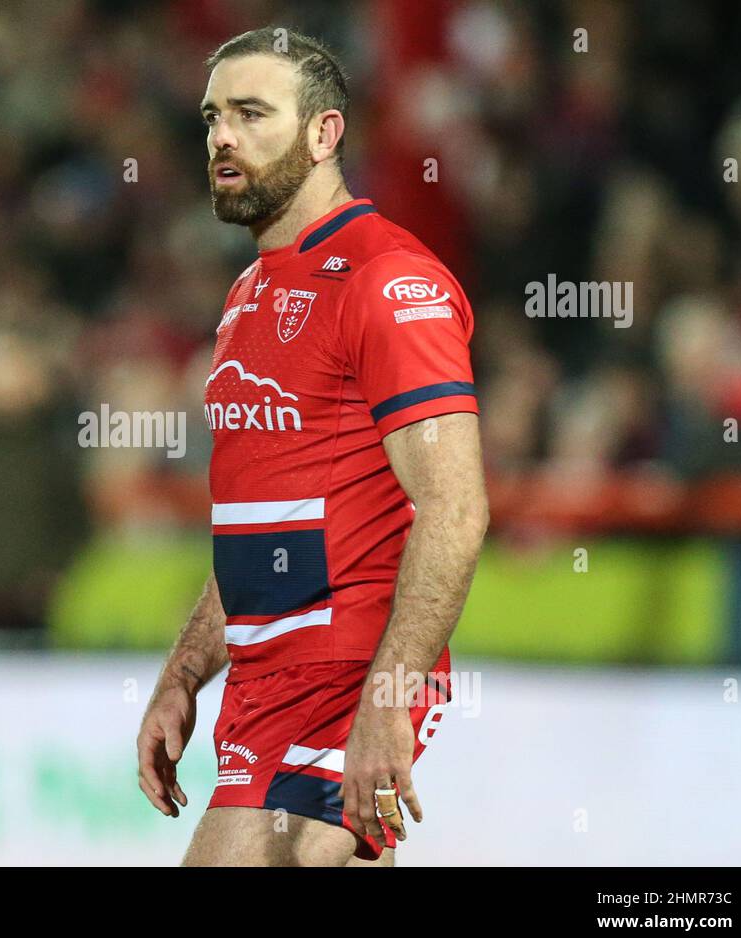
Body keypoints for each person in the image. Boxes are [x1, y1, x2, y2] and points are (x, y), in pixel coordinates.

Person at [136, 27, 489, 866]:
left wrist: (390, 698)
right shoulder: (249, 292)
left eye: (253, 113)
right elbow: (266, 518)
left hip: (350, 668)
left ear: (325, 134)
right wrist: (186, 674)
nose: (223, 136)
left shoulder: (388, 280)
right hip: (264, 682)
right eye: (213, 116)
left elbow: (457, 506)